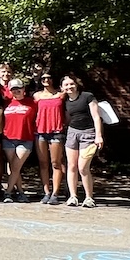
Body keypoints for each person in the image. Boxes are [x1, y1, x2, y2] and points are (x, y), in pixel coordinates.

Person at [61, 75, 104, 207]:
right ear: (62, 88)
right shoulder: (66, 101)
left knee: (83, 167)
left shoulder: (87, 96)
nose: (69, 87)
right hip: (72, 133)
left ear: (77, 84)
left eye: (71, 84)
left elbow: (96, 117)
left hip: (88, 133)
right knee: (72, 166)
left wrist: (98, 136)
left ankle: (89, 197)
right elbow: (68, 119)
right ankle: (73, 196)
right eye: (66, 85)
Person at [1, 79, 36, 203]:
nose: (16, 91)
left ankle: (8, 192)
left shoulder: (32, 103)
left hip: (25, 139)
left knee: (15, 167)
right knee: (13, 168)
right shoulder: (6, 103)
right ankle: (20, 192)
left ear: (23, 89)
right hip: (8, 139)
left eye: (18, 88)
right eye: (13, 89)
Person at [33, 73, 66, 204]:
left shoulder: (60, 95)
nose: (46, 80)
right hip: (40, 131)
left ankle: (55, 193)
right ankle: (46, 192)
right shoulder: (37, 96)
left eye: (49, 78)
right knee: (43, 163)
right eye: (43, 78)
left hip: (56, 131)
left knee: (56, 163)